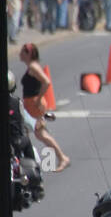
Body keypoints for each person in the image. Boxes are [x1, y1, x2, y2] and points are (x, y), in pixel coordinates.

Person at [16, 43, 70, 171]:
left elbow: (46, 82)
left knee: (40, 134)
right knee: (27, 131)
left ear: (28, 54)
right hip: (30, 103)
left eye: (22, 52)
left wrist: (39, 99)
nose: (20, 54)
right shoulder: (31, 66)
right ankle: (29, 161)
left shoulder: (34, 67)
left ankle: (62, 158)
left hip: (34, 104)